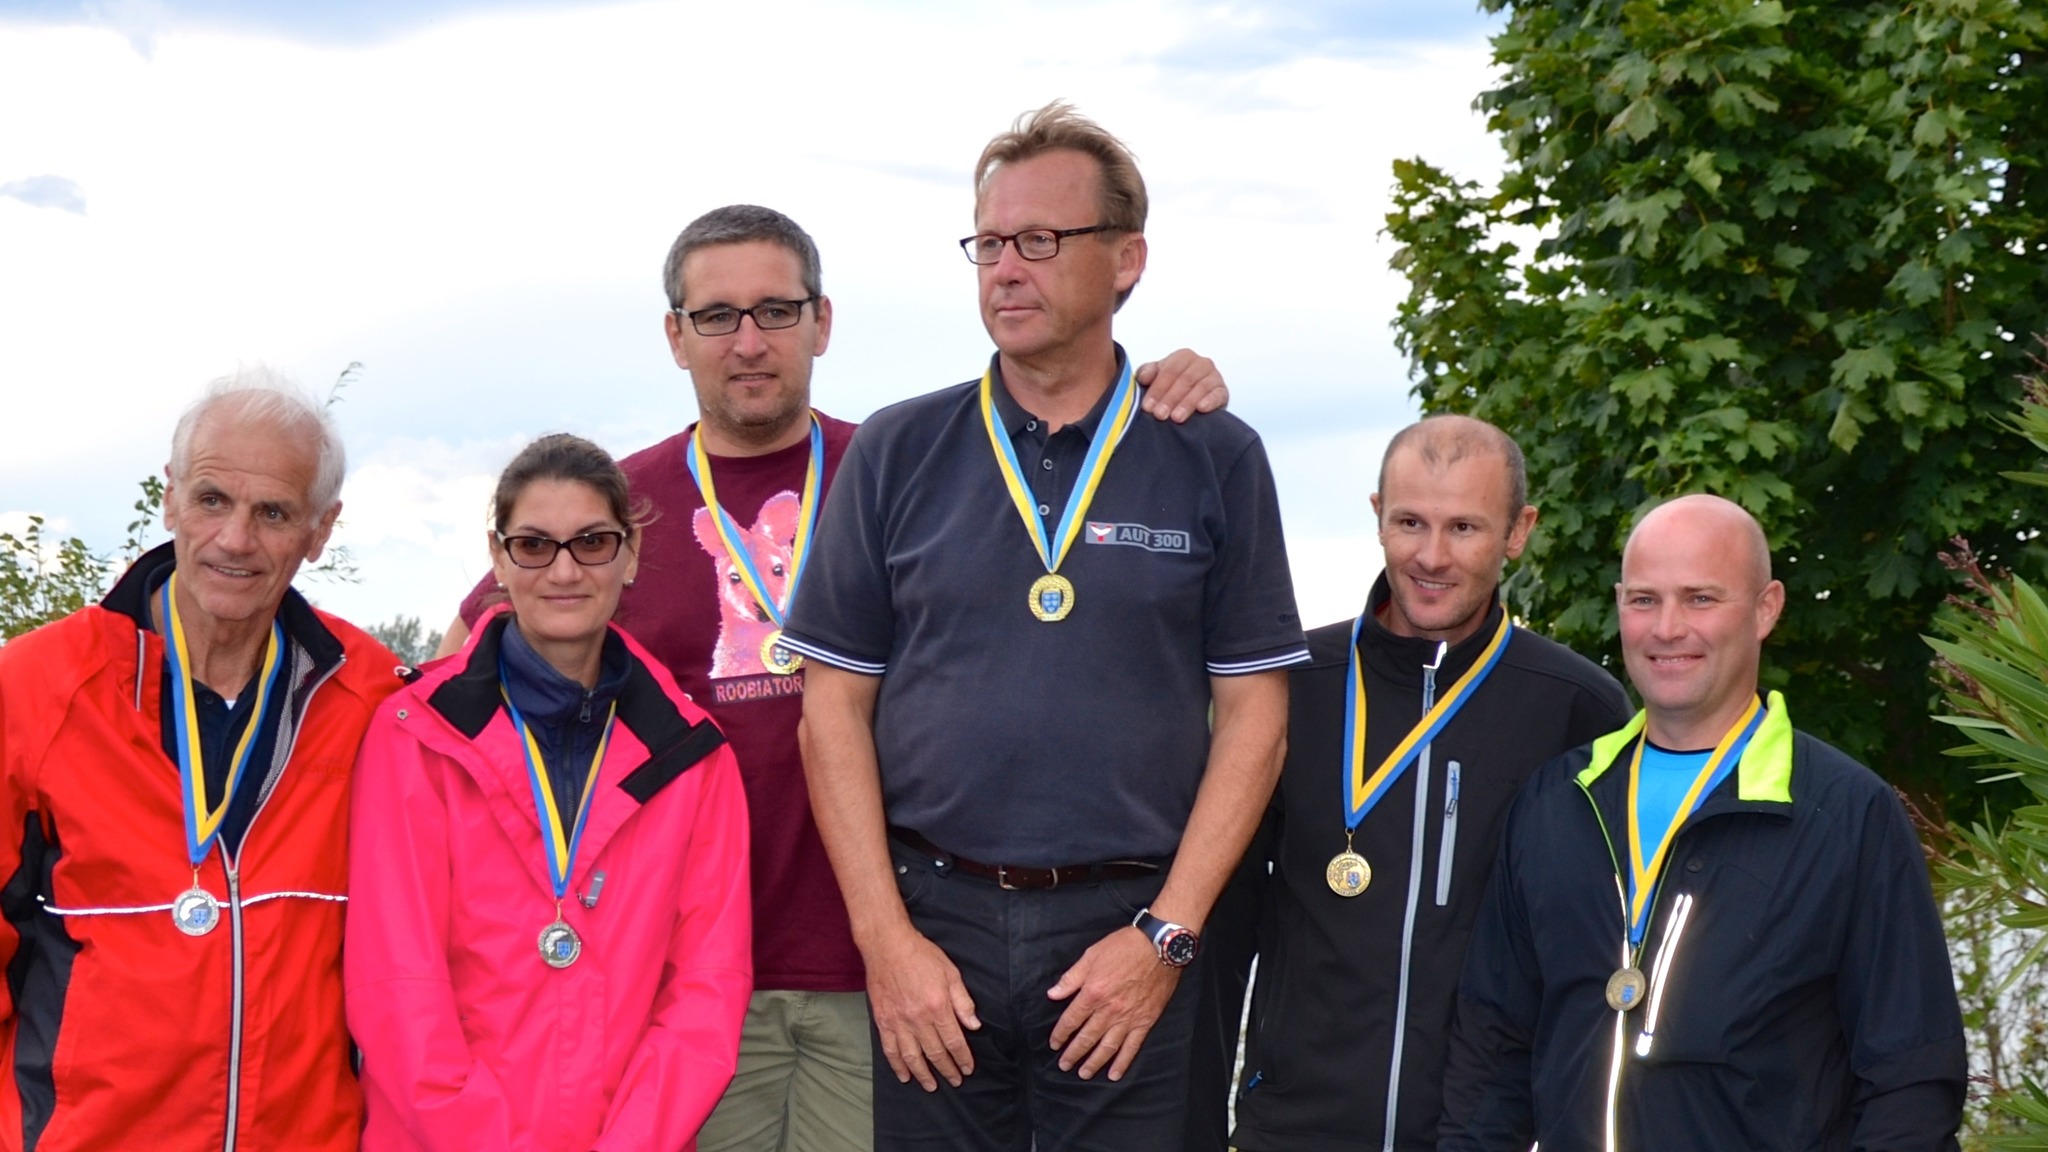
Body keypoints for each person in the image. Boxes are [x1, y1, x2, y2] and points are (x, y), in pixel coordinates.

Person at [432, 204, 1229, 1152]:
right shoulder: (617, 509)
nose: (750, 340)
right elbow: (460, 667)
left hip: (890, 975)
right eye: (716, 316)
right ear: (674, 338)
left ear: (823, 321)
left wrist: (1165, 386)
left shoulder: (907, 464)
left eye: (777, 309)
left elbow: (1068, 463)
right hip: (685, 979)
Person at [783, 101, 1307, 1152]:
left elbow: (1256, 716)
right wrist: (886, 943)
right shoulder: (897, 449)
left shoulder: (1211, 453)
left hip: (1126, 927)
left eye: (1038, 241)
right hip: (936, 929)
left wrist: (1164, 935)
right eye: (986, 244)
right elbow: (829, 710)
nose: (1004, 271)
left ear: (1125, 260)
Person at [1439, 493, 1967, 1151]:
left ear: (1765, 608)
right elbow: (1493, 1049)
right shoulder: (1557, 801)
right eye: (1643, 599)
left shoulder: (1844, 814)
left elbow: (1910, 1080)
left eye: (1700, 599)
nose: (1666, 628)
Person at [0, 370, 404, 1151]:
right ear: (171, 496)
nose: (235, 539)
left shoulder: (371, 697)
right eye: (213, 499)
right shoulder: (34, 687)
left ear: (322, 530)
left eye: (274, 512)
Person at [1220, 415, 1629, 1152]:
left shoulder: (1578, 709)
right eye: (1410, 522)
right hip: (1291, 1129)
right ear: (1377, 516)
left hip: (1481, 1136)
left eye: (1465, 528)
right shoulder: (1291, 686)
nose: (1432, 557)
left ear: (1518, 531)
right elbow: (1225, 923)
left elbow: (1597, 952)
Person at [347, 433, 752, 1150]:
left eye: (591, 542)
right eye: (534, 546)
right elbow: (397, 986)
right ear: (499, 560)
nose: (563, 571)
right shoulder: (413, 735)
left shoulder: (694, 757)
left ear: (629, 556)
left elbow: (705, 996)